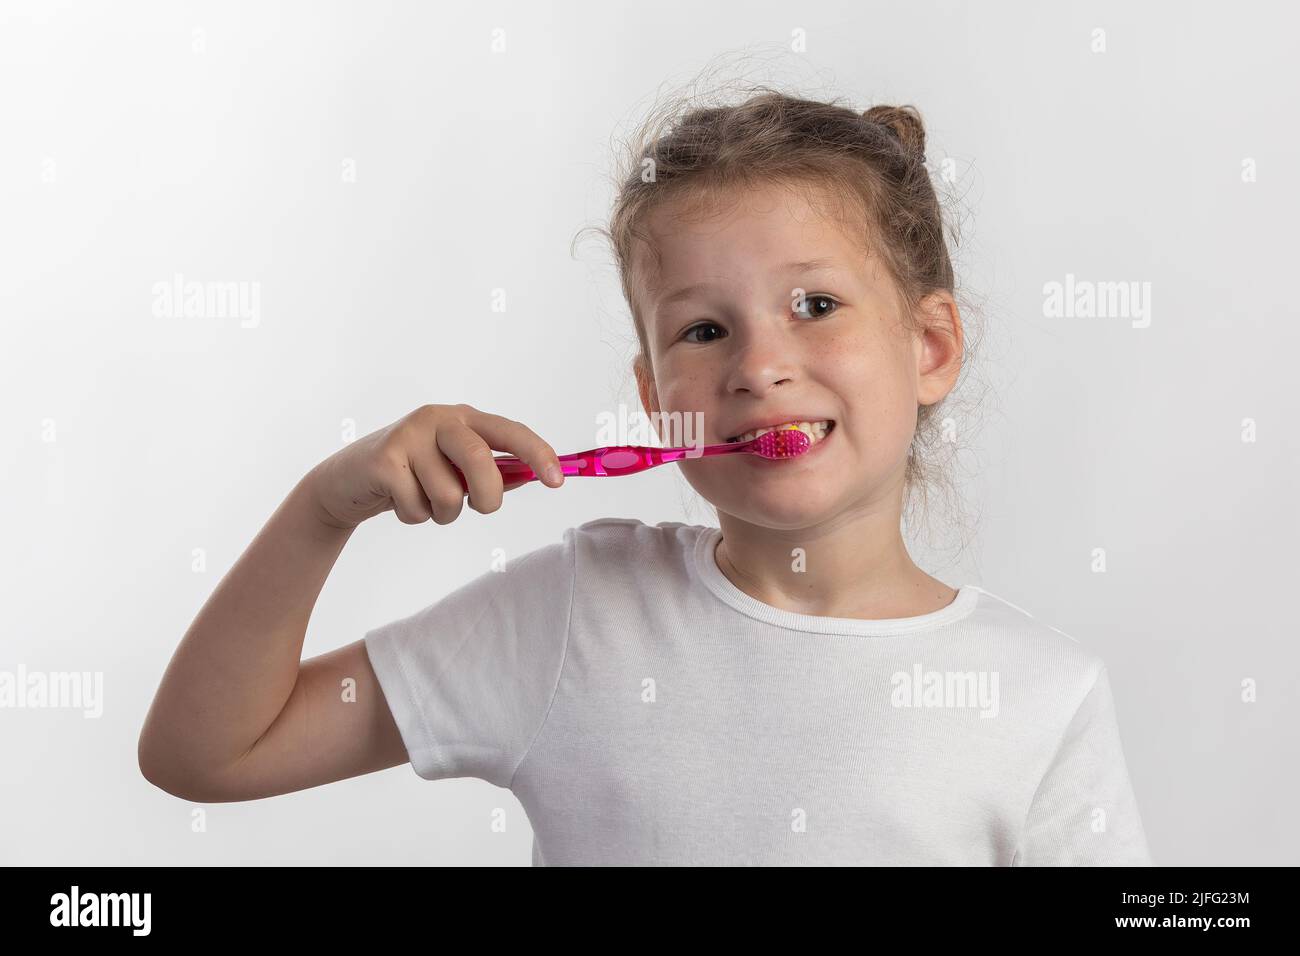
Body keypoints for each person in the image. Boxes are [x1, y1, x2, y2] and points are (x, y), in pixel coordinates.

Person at [138, 89, 1152, 866]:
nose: (758, 365)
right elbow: (207, 753)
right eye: (704, 330)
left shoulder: (1041, 698)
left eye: (814, 304)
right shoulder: (573, 615)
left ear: (929, 346)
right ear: (653, 393)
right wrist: (328, 505)